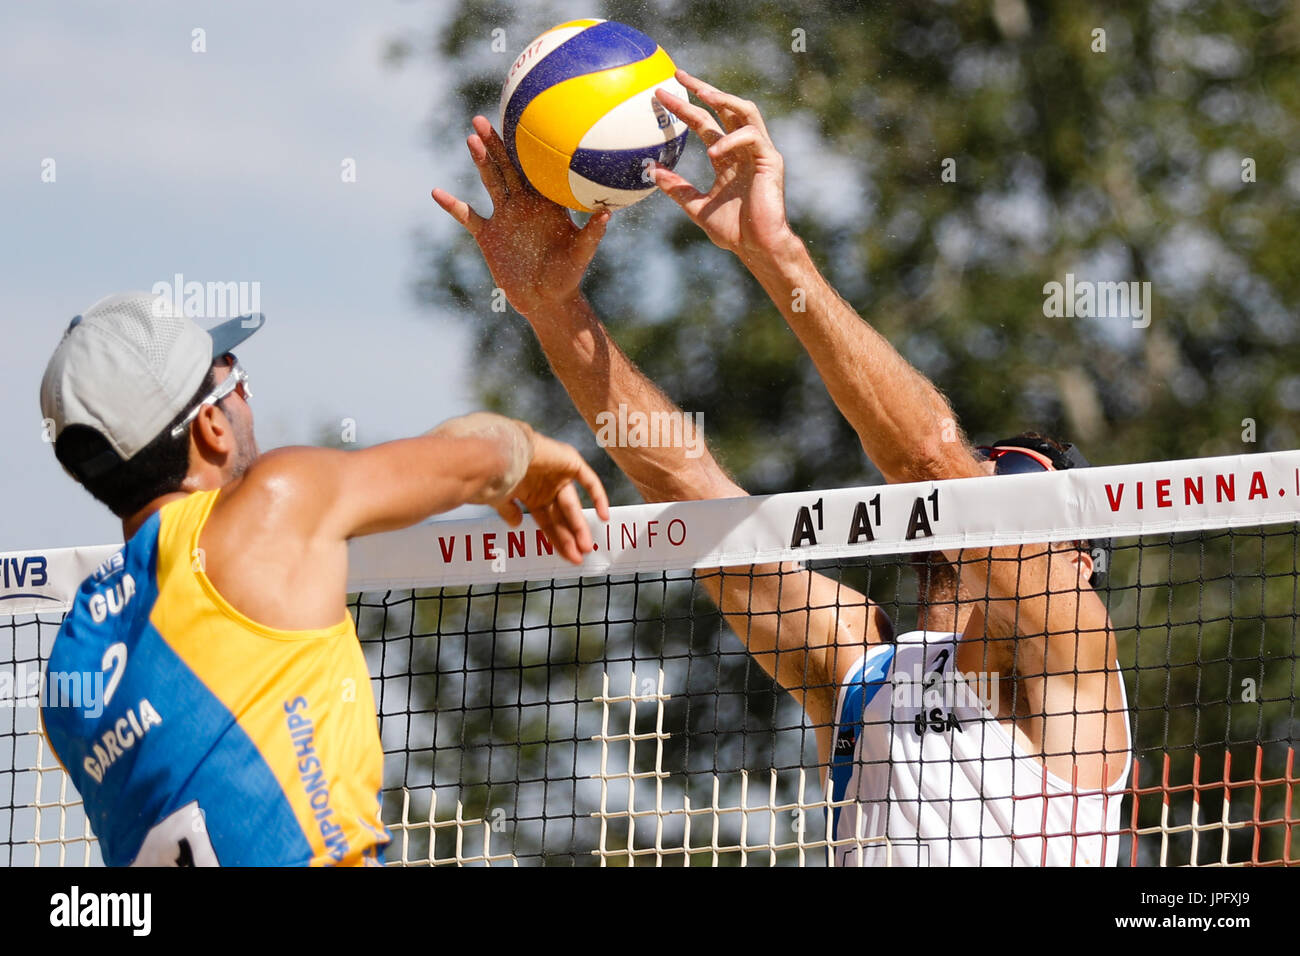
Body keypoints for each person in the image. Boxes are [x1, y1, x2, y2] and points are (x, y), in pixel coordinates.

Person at [432, 72, 1131, 865]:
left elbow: (927, 459)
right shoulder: (865, 671)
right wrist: (551, 307)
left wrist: (776, 251)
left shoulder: (1072, 654)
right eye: (982, 471)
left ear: (1077, 561)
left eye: (1013, 489)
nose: (980, 486)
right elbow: (688, 493)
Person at [38, 292, 608, 866]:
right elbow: (477, 460)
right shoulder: (275, 504)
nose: (245, 399)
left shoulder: (69, 670)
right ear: (212, 426)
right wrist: (531, 453)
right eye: (236, 383)